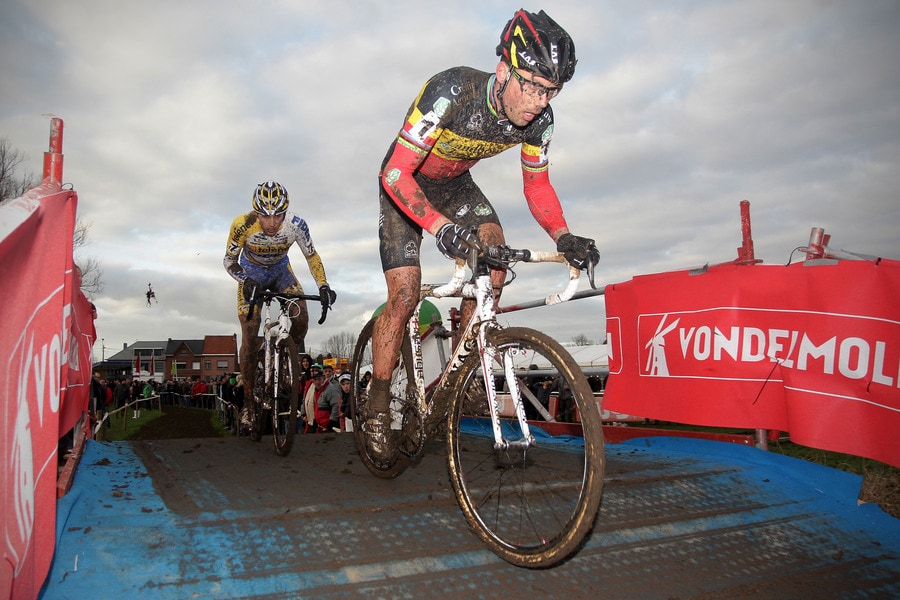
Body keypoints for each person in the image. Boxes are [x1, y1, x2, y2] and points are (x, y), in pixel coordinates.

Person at [365, 9, 600, 461]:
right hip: (406, 185)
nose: (537, 100)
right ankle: (377, 404)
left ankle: (460, 372)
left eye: (550, 90)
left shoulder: (540, 121)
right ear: (503, 70)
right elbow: (397, 170)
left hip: (456, 187)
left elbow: (537, 183)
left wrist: (562, 234)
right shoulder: (451, 91)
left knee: (494, 250)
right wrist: (439, 227)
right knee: (405, 294)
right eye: (531, 84)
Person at [224, 181, 336, 402]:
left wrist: (323, 285)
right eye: (265, 216)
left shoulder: (296, 225)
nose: (272, 222)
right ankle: (247, 400)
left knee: (302, 318)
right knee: (249, 331)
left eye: (278, 215)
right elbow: (229, 261)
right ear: (256, 212)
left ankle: (285, 358)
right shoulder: (243, 224)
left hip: (280, 272)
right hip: (251, 274)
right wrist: (245, 280)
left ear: (286, 211)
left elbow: (312, 256)